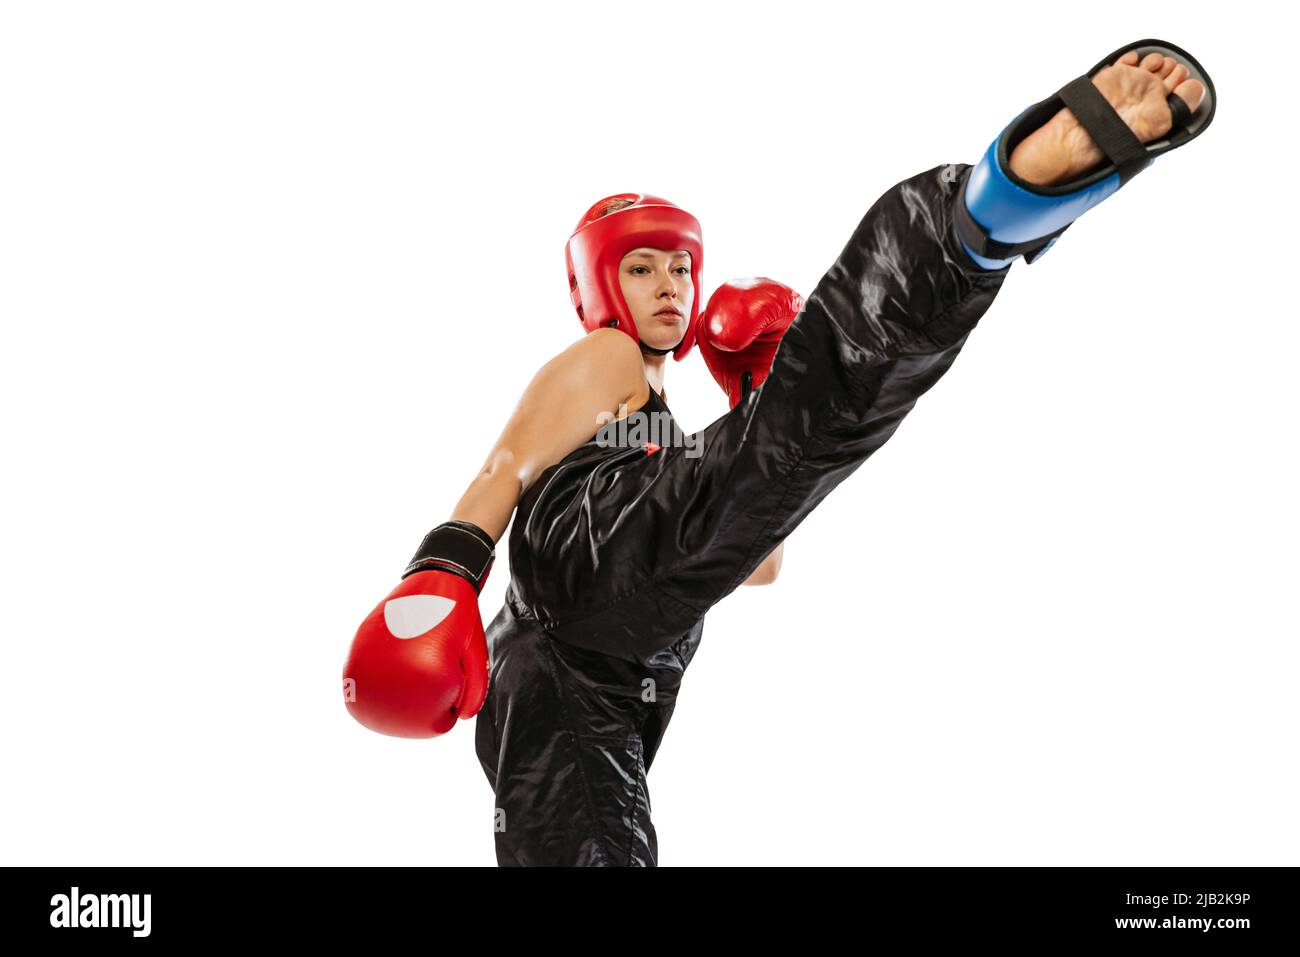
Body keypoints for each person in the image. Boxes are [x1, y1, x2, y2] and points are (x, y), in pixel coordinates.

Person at [344, 39, 1216, 866]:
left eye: (679, 269)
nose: (671, 287)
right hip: (566, 600)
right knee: (809, 403)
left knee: (599, 843)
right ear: (602, 286)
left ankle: (984, 221)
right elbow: (508, 467)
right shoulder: (602, 361)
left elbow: (753, 558)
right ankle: (980, 215)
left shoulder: (669, 441)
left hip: (605, 670)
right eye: (642, 269)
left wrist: (753, 397)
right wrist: (443, 572)